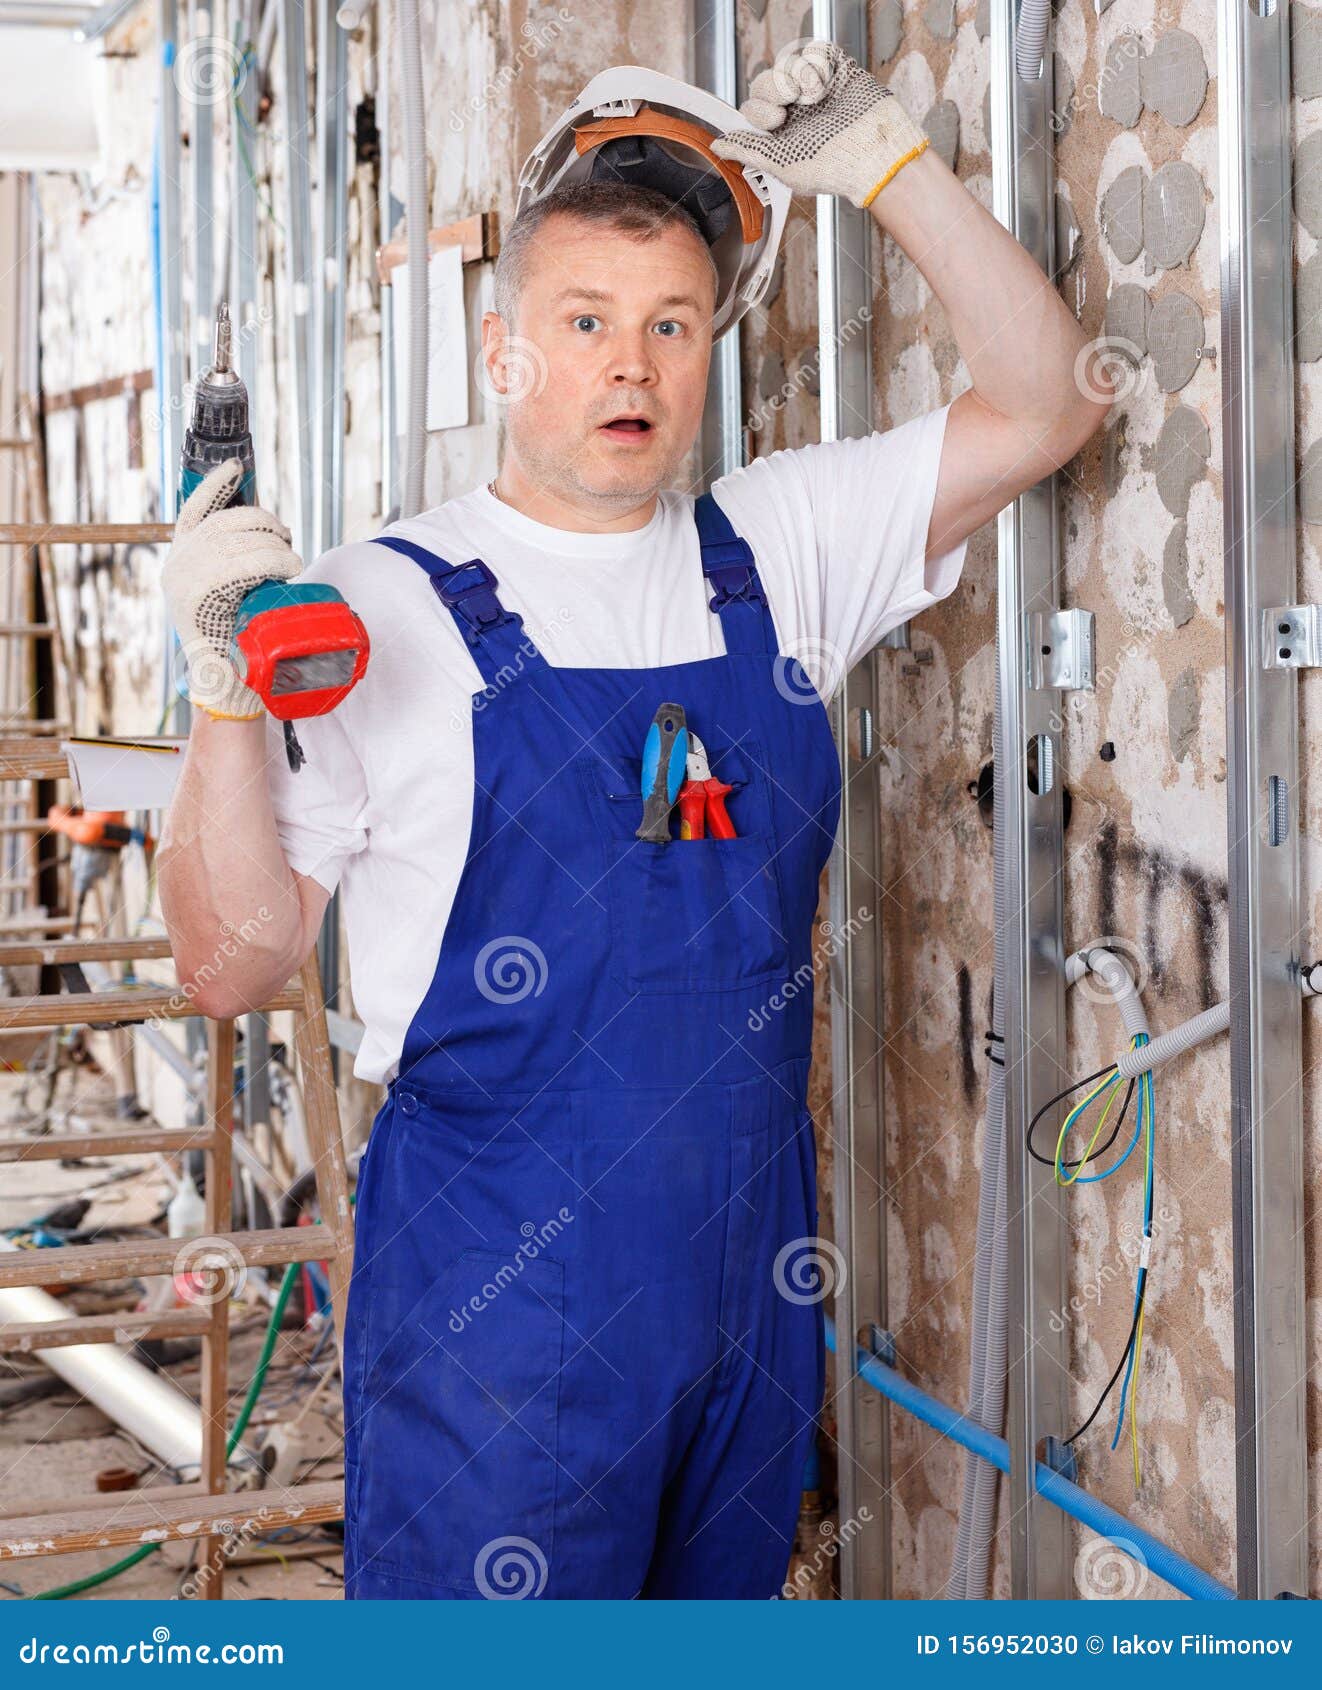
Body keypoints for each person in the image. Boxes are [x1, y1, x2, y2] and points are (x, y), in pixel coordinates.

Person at [158, 43, 1111, 1599]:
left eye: (673, 325)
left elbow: (1051, 399)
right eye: (585, 321)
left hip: (744, 1271)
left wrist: (888, 168)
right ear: (499, 352)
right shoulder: (370, 605)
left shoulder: (776, 549)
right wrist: (218, 694)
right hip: (494, 1297)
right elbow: (229, 965)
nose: (633, 365)